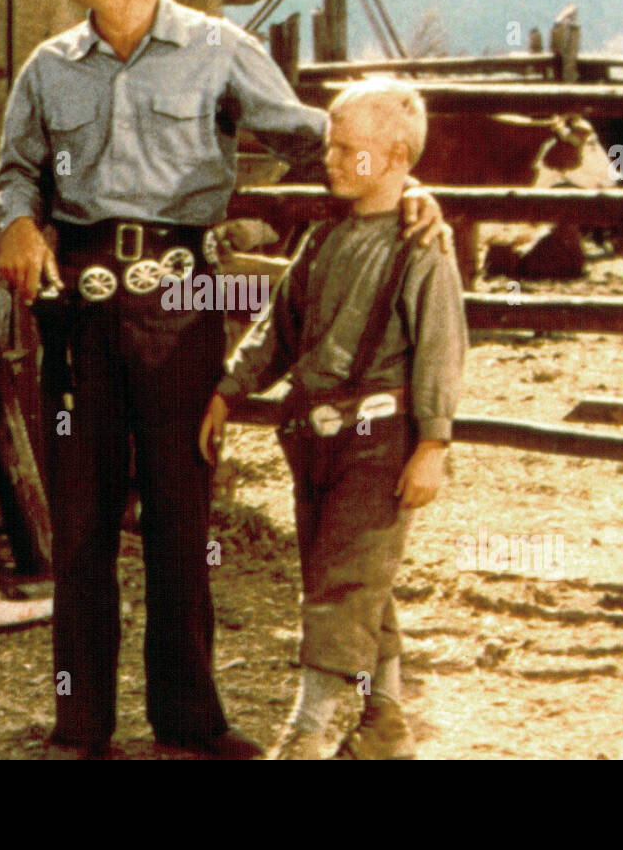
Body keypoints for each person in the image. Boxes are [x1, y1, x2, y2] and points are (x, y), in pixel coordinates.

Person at [0, 0, 446, 760]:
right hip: (77, 320)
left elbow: (310, 134)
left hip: (181, 310)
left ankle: (188, 721)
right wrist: (15, 221)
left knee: (179, 521)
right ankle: (80, 728)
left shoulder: (217, 50)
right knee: (80, 527)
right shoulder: (50, 69)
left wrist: (404, 183)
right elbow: (19, 169)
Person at [200, 78, 468, 760]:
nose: (335, 160)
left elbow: (441, 348)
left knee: (346, 580)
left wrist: (432, 443)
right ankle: (383, 726)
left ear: (399, 155)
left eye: (353, 150)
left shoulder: (422, 249)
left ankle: (308, 731)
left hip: (381, 439)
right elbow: (277, 328)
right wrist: (229, 390)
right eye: (331, 147)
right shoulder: (322, 240)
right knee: (345, 576)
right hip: (312, 437)